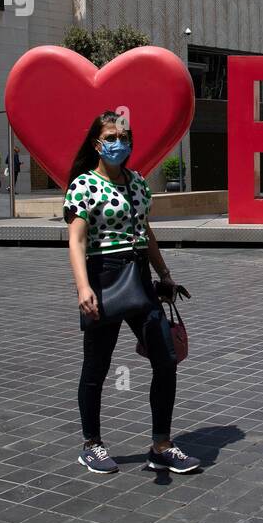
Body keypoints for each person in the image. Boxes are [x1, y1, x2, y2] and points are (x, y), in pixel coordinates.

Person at [64, 111, 200, 475]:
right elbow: (76, 241)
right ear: (96, 142)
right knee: (96, 367)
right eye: (111, 136)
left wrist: (165, 274)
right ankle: (91, 444)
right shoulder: (83, 185)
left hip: (139, 278)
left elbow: (146, 230)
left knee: (166, 359)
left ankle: (161, 444)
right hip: (103, 278)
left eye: (124, 136)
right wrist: (83, 287)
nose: (119, 143)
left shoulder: (138, 183)